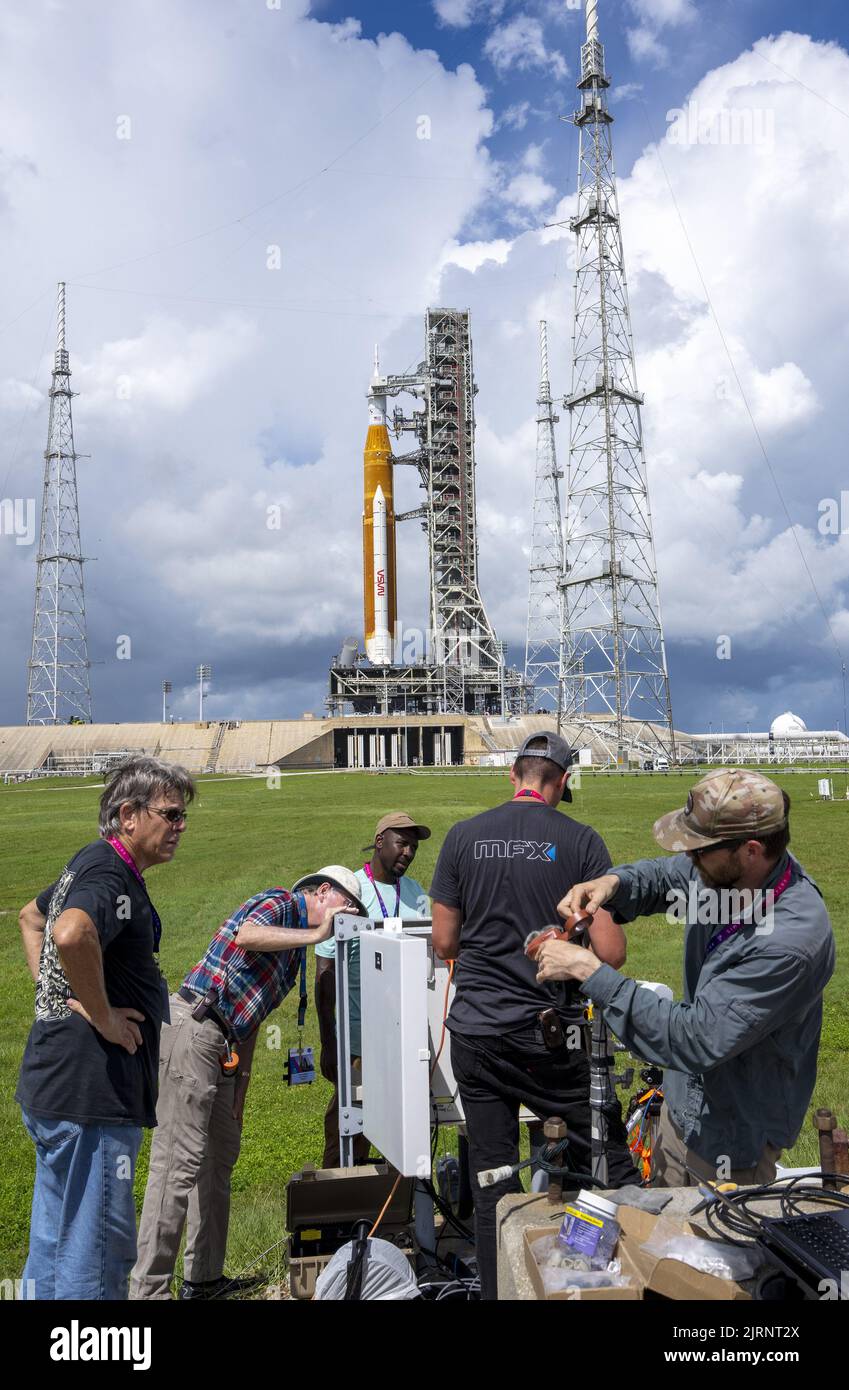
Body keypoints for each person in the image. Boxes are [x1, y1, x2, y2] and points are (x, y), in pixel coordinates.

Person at [536, 768, 836, 1187]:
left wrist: (590, 971)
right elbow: (669, 876)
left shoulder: (788, 942)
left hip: (733, 1140)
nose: (690, 858)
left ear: (751, 850)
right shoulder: (736, 871)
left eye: (699, 850)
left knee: (714, 1251)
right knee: (661, 1238)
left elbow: (693, 1039)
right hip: (684, 1113)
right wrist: (612, 883)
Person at [429, 733, 632, 1301]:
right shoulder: (581, 841)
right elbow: (611, 955)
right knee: (601, 1159)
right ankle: (581, 1281)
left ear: (513, 775)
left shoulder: (462, 837)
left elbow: (445, 941)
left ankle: (501, 1290)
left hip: (475, 1032)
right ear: (562, 782)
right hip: (550, 1035)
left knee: (493, 1174)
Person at [130, 865, 366, 1300]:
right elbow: (247, 935)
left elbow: (253, 1018)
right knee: (176, 1166)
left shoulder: (295, 952)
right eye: (350, 906)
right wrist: (317, 936)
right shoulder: (280, 902)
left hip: (224, 1046)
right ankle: (148, 1290)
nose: (349, 916)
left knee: (219, 1158)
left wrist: (242, 1082)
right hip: (195, 1028)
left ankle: (203, 1279)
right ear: (325, 892)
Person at [16, 756, 194, 1300]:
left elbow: (31, 916)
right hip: (92, 1096)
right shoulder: (108, 873)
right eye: (170, 814)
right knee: (96, 1252)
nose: (181, 826)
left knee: (54, 1242)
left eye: (184, 814)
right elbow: (69, 933)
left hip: (55, 1088)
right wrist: (100, 1013)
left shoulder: (92, 864)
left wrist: (52, 991)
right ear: (128, 815)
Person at [315, 812, 431, 1167]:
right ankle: (340, 1209)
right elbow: (325, 971)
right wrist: (329, 1040)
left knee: (405, 1131)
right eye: (402, 842)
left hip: (406, 1038)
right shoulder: (352, 891)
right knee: (348, 1127)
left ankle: (395, 1211)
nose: (409, 852)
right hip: (357, 1040)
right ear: (380, 841)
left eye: (413, 846)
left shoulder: (414, 894)